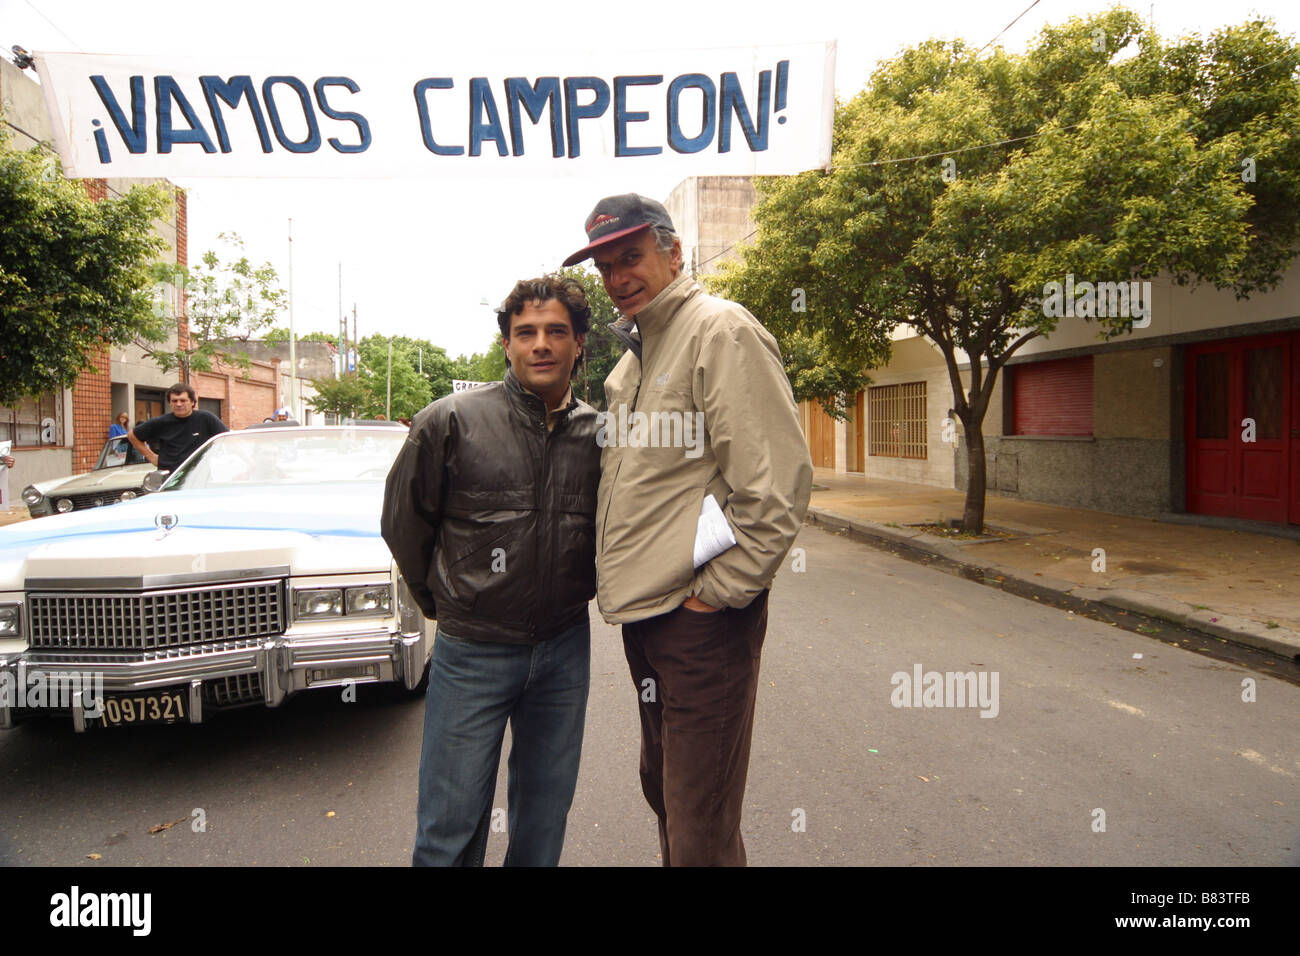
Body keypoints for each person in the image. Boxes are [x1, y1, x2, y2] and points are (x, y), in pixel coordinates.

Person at [561, 193, 813, 866]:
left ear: (674, 253)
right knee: (667, 793)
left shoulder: (719, 331)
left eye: (632, 256)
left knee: (696, 816)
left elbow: (775, 487)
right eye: (607, 264)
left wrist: (712, 598)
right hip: (647, 618)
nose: (619, 276)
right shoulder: (633, 360)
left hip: (699, 623)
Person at [382, 275, 601, 867]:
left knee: (543, 821)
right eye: (525, 332)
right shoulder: (448, 421)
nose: (540, 344)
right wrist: (449, 605)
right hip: (472, 651)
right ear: (506, 343)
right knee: (449, 828)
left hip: (563, 648)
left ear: (578, 342)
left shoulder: (600, 434)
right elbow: (405, 523)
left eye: (557, 331)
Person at [127, 383, 228, 472]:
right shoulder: (161, 422)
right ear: (170, 403)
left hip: (199, 474)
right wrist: (151, 457)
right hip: (170, 477)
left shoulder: (206, 418)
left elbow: (227, 438)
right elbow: (132, 435)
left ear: (192, 402)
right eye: (174, 401)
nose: (179, 404)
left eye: (183, 400)